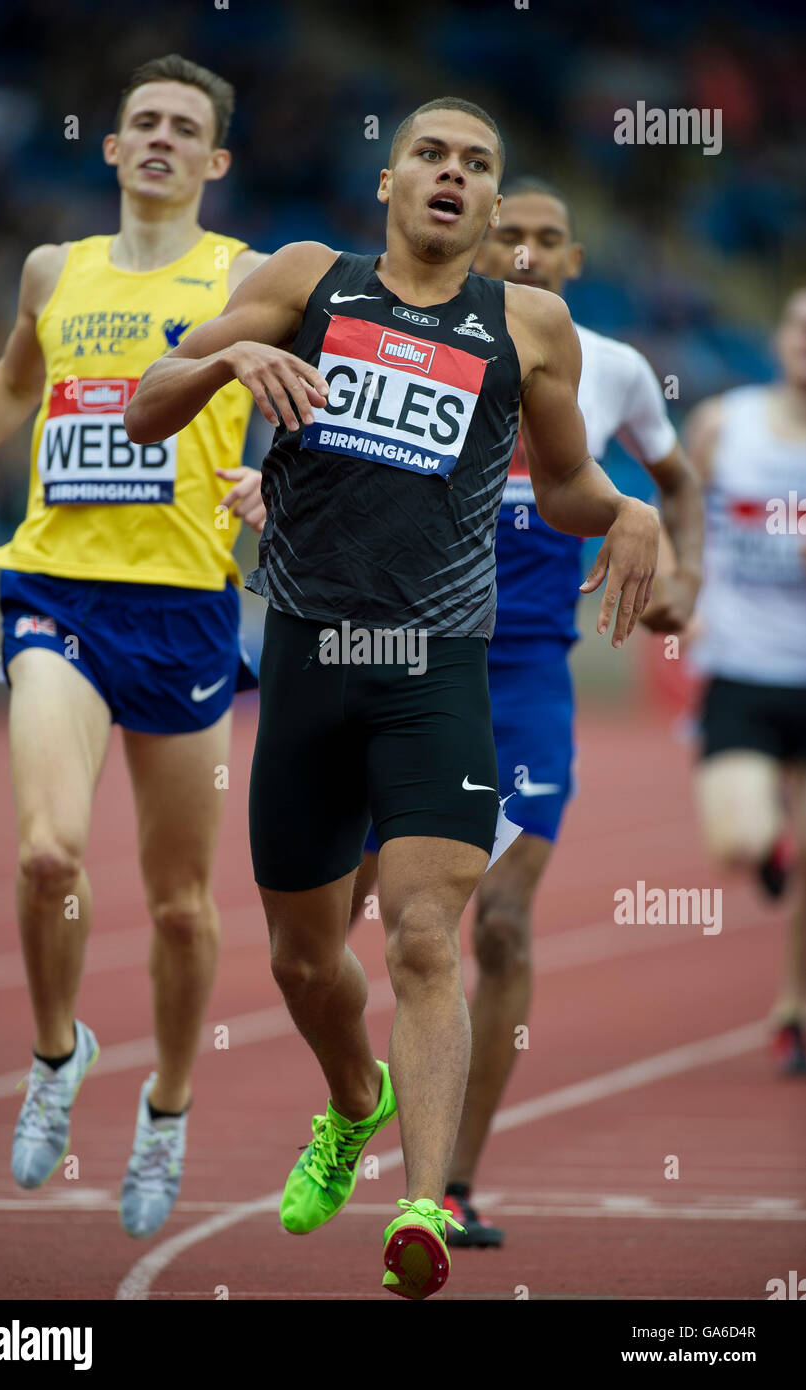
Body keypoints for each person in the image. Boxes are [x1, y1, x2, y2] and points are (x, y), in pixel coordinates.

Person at [126, 98, 660, 1299]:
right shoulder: (307, 279)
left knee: (426, 938)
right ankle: (350, 1099)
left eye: (479, 163)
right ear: (388, 179)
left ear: (488, 200)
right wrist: (224, 354)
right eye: (432, 154)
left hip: (440, 671)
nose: (454, 175)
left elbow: (570, 481)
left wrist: (627, 511)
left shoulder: (530, 324)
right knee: (305, 966)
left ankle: (420, 1207)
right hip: (310, 664)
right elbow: (147, 400)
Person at [0, 53, 268, 1239]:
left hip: (183, 607)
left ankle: (168, 1110)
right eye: (146, 122)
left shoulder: (247, 276)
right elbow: (11, 382)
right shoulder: (53, 271)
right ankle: (53, 1053)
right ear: (115, 147)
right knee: (46, 855)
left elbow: (315, 407)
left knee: (181, 906)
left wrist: (264, 480)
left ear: (215, 159)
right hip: (55, 591)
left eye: (189, 126)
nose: (165, 138)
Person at [350, 177, 704, 1248]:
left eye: (550, 239)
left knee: (494, 921)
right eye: (510, 234)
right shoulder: (402, 340)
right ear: (472, 237)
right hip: (401, 659)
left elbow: (675, 480)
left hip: (523, 676)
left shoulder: (617, 367)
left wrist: (678, 570)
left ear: (575, 261)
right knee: (325, 926)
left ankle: (449, 1182)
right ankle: (344, 1096)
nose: (529, 253)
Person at [684, 286, 806, 1076]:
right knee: (737, 837)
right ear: (778, 335)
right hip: (738, 668)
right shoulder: (721, 424)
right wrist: (678, 584)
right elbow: (675, 514)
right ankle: (772, 850)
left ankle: (793, 1007)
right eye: (800, 325)